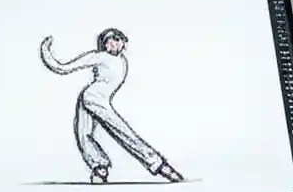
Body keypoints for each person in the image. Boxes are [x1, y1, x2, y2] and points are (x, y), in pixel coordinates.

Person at [40, 28, 185, 183]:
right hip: (90, 98)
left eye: (118, 40)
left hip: (98, 101)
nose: (114, 44)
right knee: (89, 135)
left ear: (123, 42)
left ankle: (155, 164)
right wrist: (45, 50)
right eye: (109, 41)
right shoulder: (100, 57)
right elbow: (62, 68)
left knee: (119, 133)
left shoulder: (122, 61)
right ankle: (101, 167)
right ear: (104, 44)